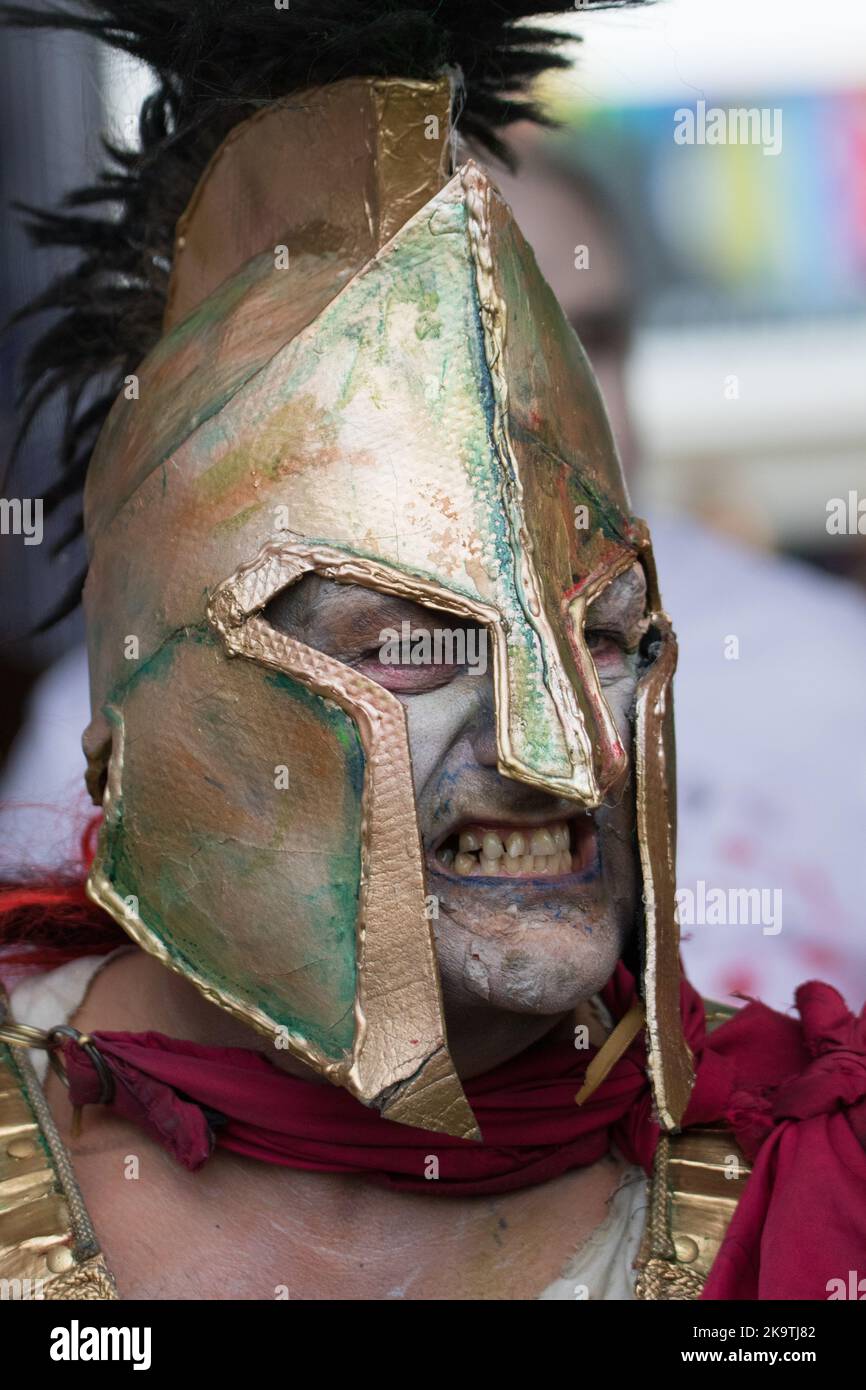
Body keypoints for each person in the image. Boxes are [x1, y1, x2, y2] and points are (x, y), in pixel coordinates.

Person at [1, 1, 864, 1303]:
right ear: (155, 724)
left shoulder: (810, 1178)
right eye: (410, 641)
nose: (563, 750)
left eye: (608, 637)